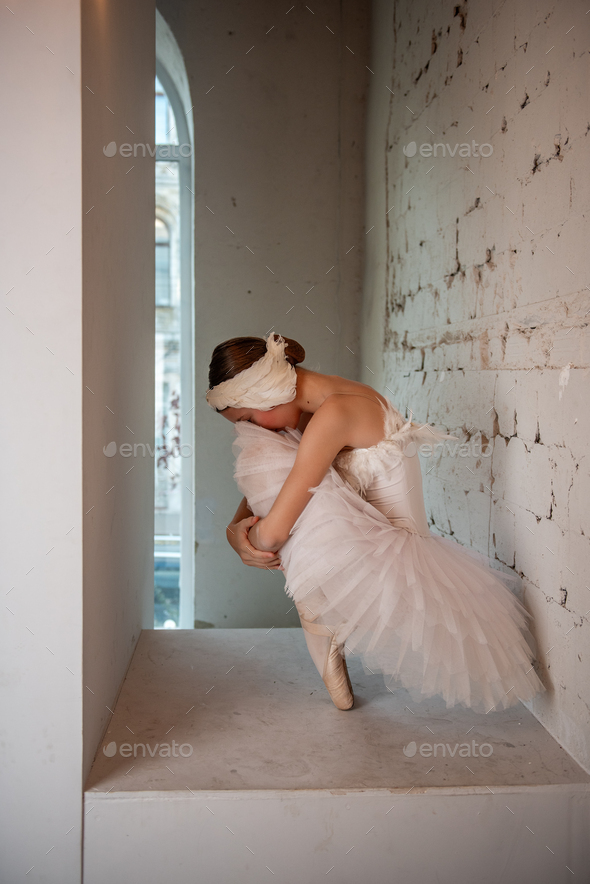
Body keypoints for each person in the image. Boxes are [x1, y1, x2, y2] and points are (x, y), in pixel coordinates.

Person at [206, 332, 546, 713]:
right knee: (284, 478)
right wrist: (233, 530)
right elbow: (270, 483)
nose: (254, 430)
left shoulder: (335, 413)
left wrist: (244, 538)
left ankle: (318, 613)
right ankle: (321, 615)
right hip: (367, 538)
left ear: (266, 391)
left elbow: (271, 535)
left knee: (286, 526)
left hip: (392, 560)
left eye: (250, 418)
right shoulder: (323, 402)